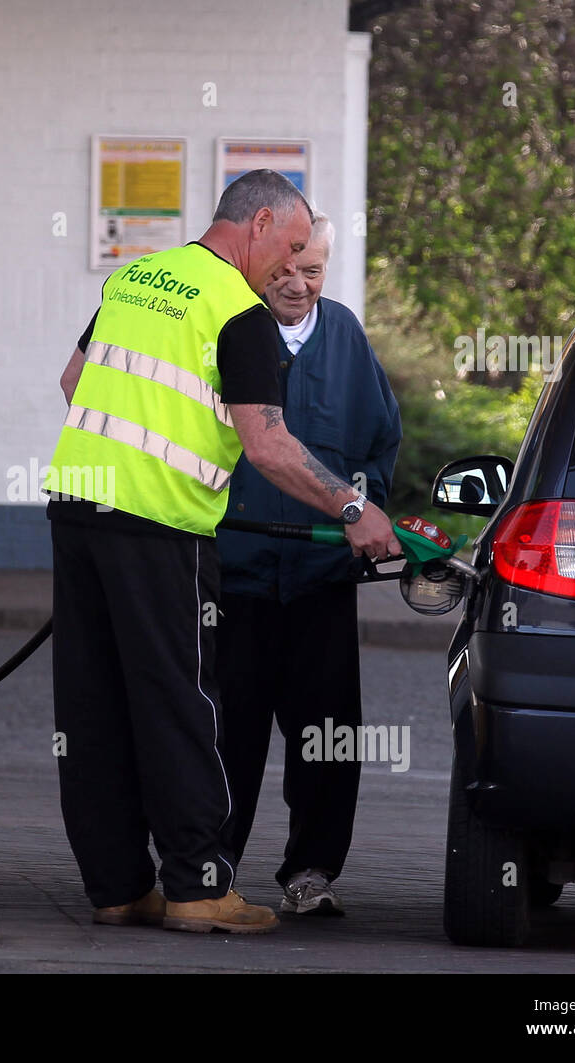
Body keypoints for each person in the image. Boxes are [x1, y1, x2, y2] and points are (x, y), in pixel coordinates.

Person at [44, 171, 400, 934]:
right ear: (260, 221)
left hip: (77, 509)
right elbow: (267, 444)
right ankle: (198, 886)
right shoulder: (238, 312)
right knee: (184, 706)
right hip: (158, 525)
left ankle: (116, 887)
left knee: (94, 704)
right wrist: (352, 506)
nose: (294, 264)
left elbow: (75, 380)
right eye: (292, 245)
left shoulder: (139, 276)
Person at [216, 212, 402, 917]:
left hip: (321, 578)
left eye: (313, 270)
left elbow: (380, 437)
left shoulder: (346, 336)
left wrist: (367, 511)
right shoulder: (231, 328)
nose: (296, 284)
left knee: (327, 735)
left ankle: (311, 872)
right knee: (225, 732)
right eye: (285, 269)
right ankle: (212, 866)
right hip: (233, 576)